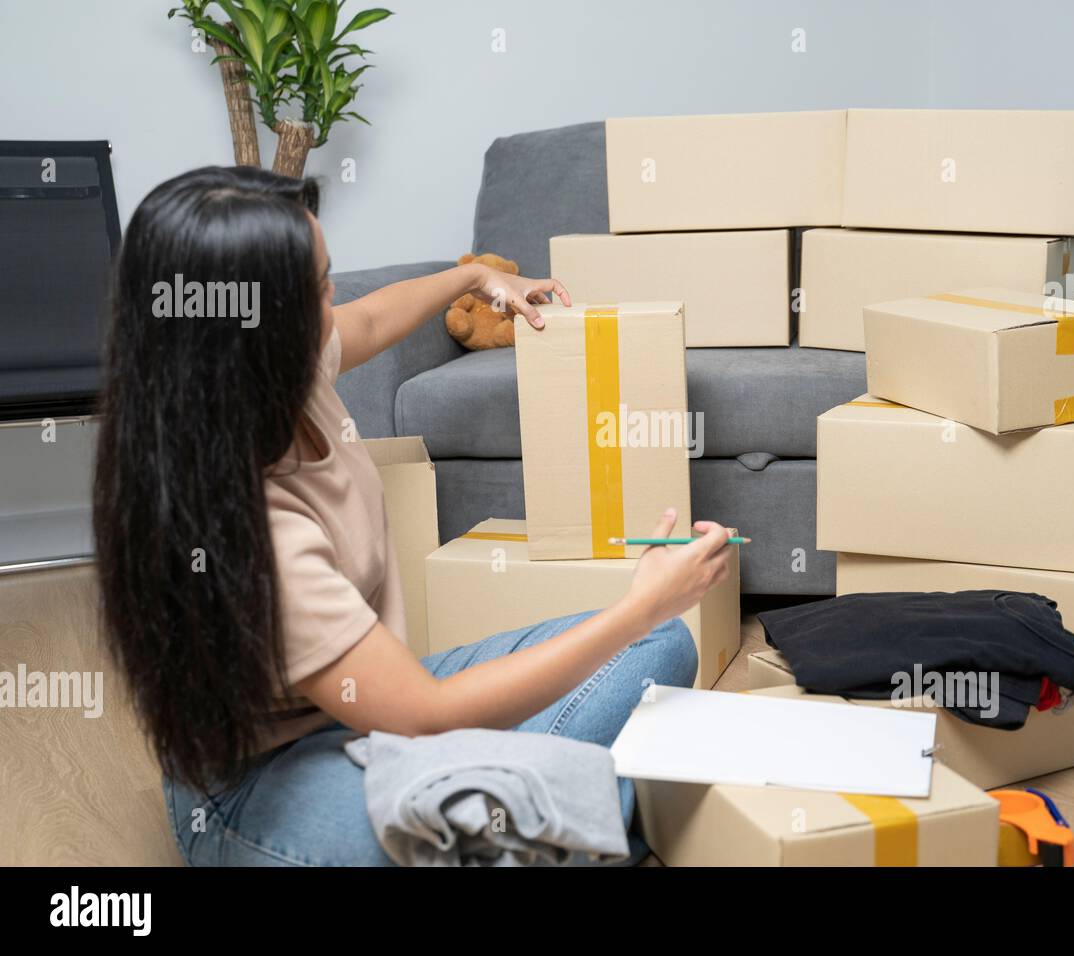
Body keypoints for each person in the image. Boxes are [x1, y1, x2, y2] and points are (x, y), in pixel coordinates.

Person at [93, 166, 731, 866]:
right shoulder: (251, 526)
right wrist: (636, 604)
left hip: (372, 709)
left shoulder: (281, 370)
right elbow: (428, 715)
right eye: (317, 289)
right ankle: (551, 793)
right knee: (549, 814)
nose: (335, 302)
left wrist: (477, 278)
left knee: (659, 646)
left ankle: (536, 785)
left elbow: (370, 317)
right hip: (260, 794)